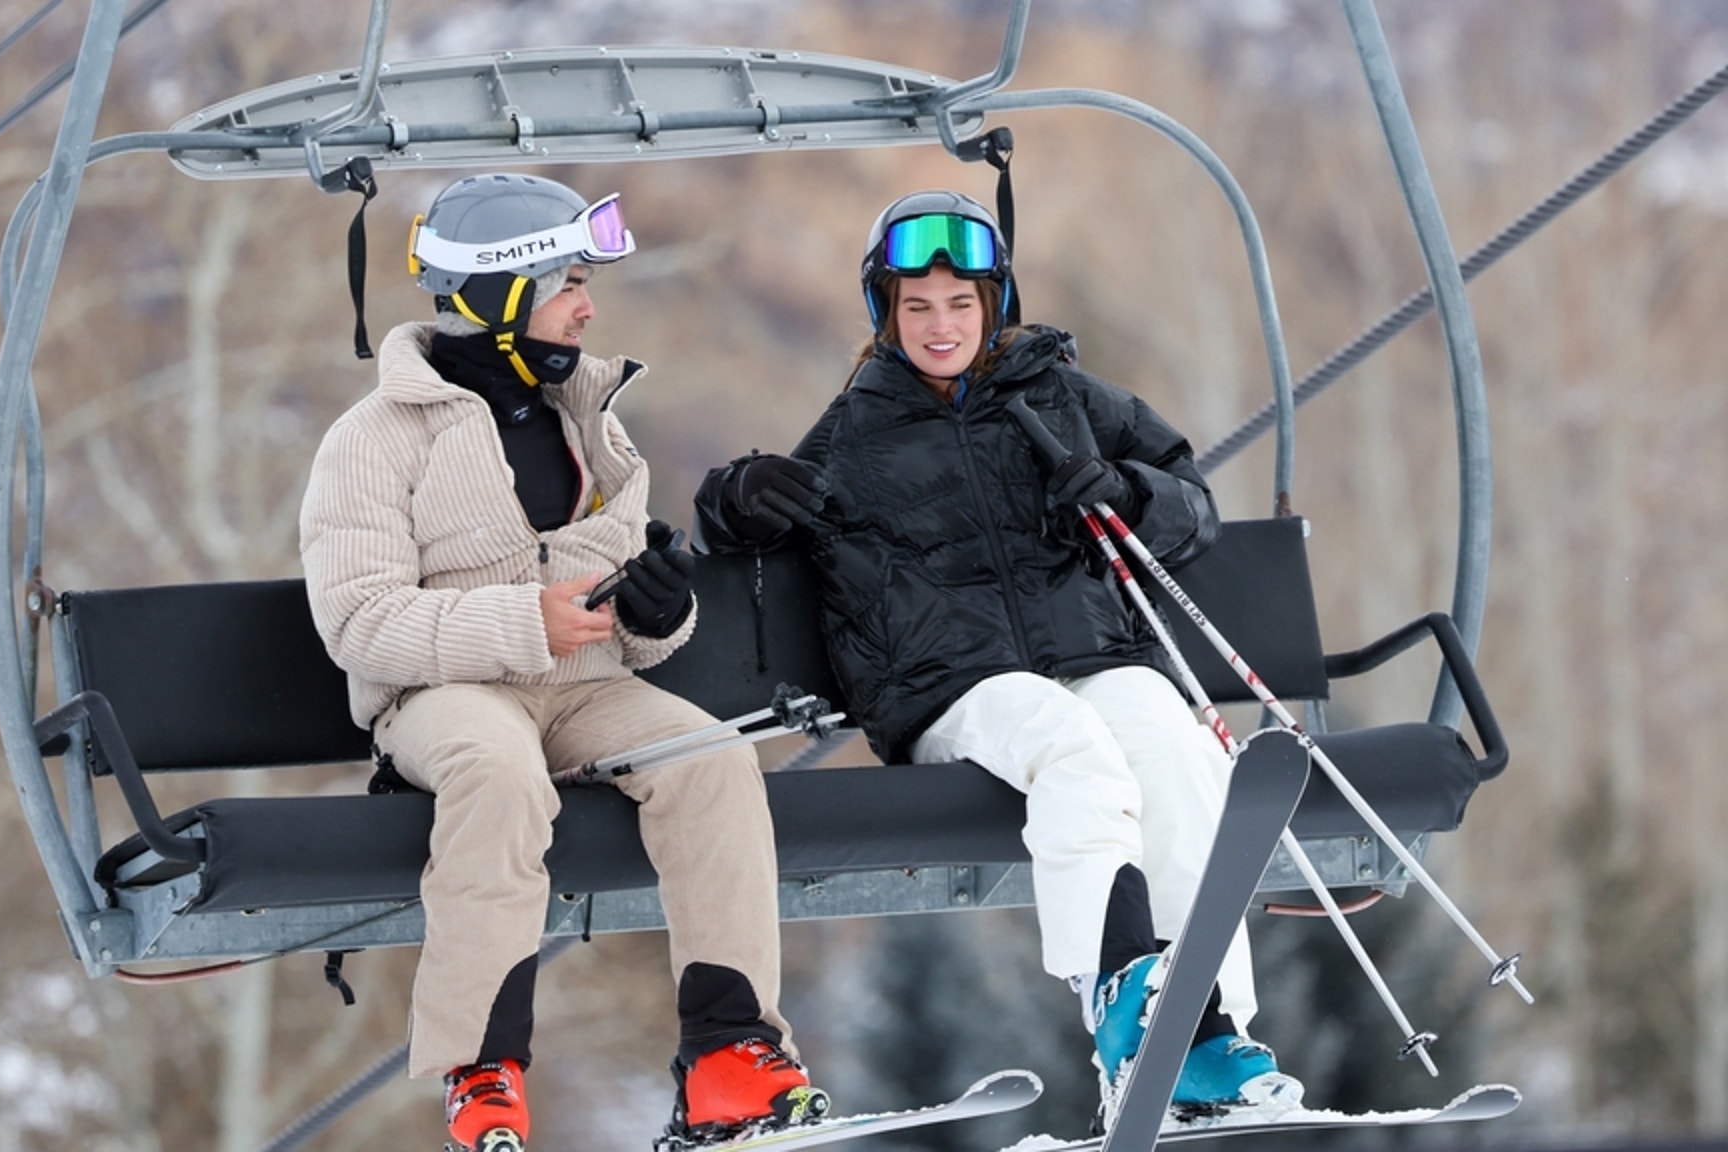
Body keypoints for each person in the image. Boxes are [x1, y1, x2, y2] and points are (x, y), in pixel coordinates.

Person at [693, 190, 1303, 1126]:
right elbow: (739, 531)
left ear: (995, 304)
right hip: (952, 693)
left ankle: (1205, 1033)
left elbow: (1191, 509)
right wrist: (735, 495)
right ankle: (1122, 996)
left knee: (1179, 752)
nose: (941, 327)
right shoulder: (855, 435)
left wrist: (1126, 493)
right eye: (917, 306)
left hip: (1095, 654)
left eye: (960, 304)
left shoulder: (1062, 397)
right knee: (1072, 748)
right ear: (886, 313)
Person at [301, 173, 826, 1152]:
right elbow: (360, 624)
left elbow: (626, 628)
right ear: (500, 293)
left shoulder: (591, 425)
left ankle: (729, 1055)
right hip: (446, 696)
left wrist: (657, 614)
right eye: (568, 284)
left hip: (585, 693)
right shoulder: (373, 440)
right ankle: (482, 1069)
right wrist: (523, 622)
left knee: (711, 758)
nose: (588, 308)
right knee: (499, 777)